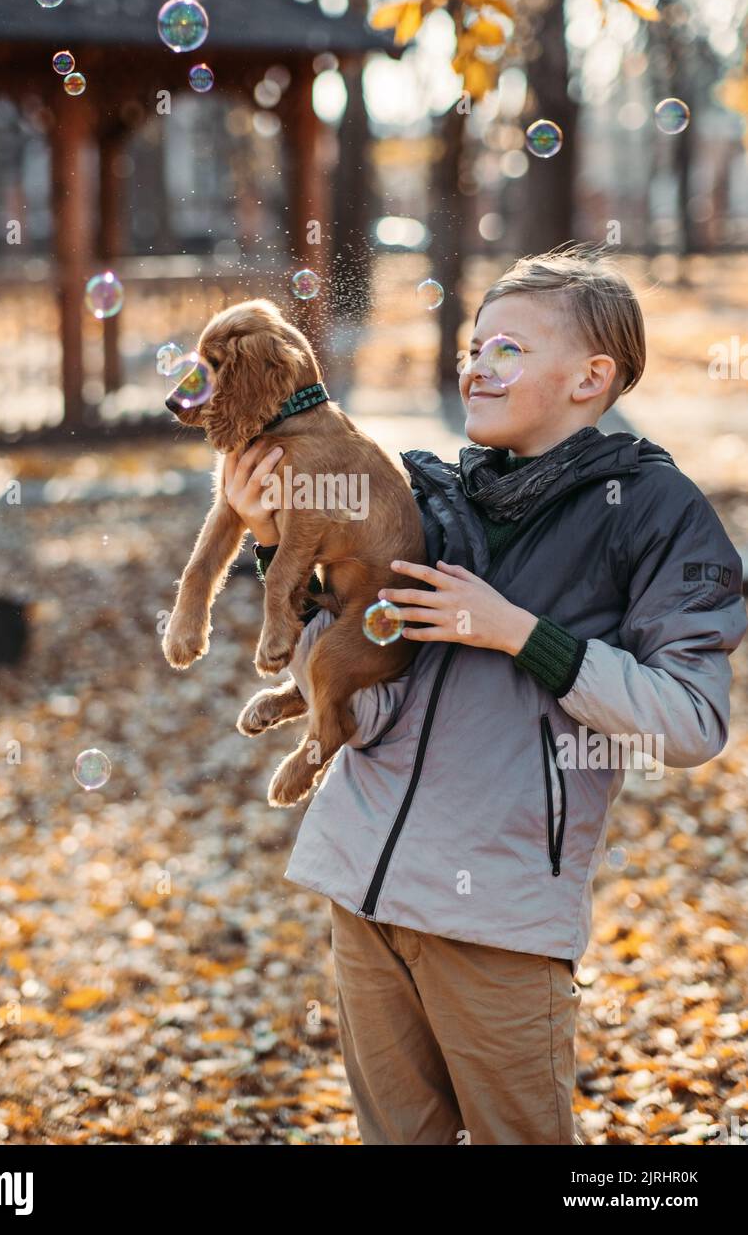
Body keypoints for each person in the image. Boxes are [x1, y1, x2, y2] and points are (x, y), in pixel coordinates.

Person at [221, 248, 747, 1145]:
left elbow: (691, 722)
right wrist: (275, 547)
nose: (474, 363)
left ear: (592, 377)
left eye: (505, 348)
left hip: (496, 924)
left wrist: (517, 633)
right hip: (361, 892)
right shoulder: (425, 492)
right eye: (472, 344)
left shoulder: (654, 511)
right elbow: (361, 679)